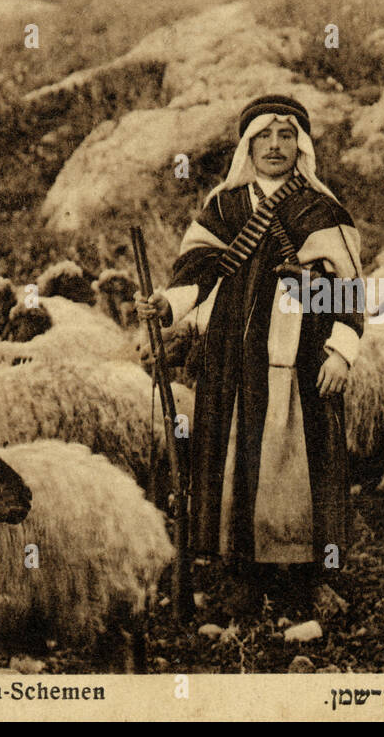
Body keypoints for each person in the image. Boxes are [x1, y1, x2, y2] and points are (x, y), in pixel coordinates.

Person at [135, 94, 364, 617]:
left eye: (287, 136)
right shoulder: (224, 206)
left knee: (298, 462)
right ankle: (240, 572)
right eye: (265, 137)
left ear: (300, 145)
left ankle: (302, 576)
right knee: (232, 456)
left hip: (302, 361)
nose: (276, 147)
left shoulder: (323, 210)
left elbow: (350, 292)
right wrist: (165, 304)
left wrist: (340, 354)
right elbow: (194, 274)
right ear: (248, 145)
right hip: (231, 359)